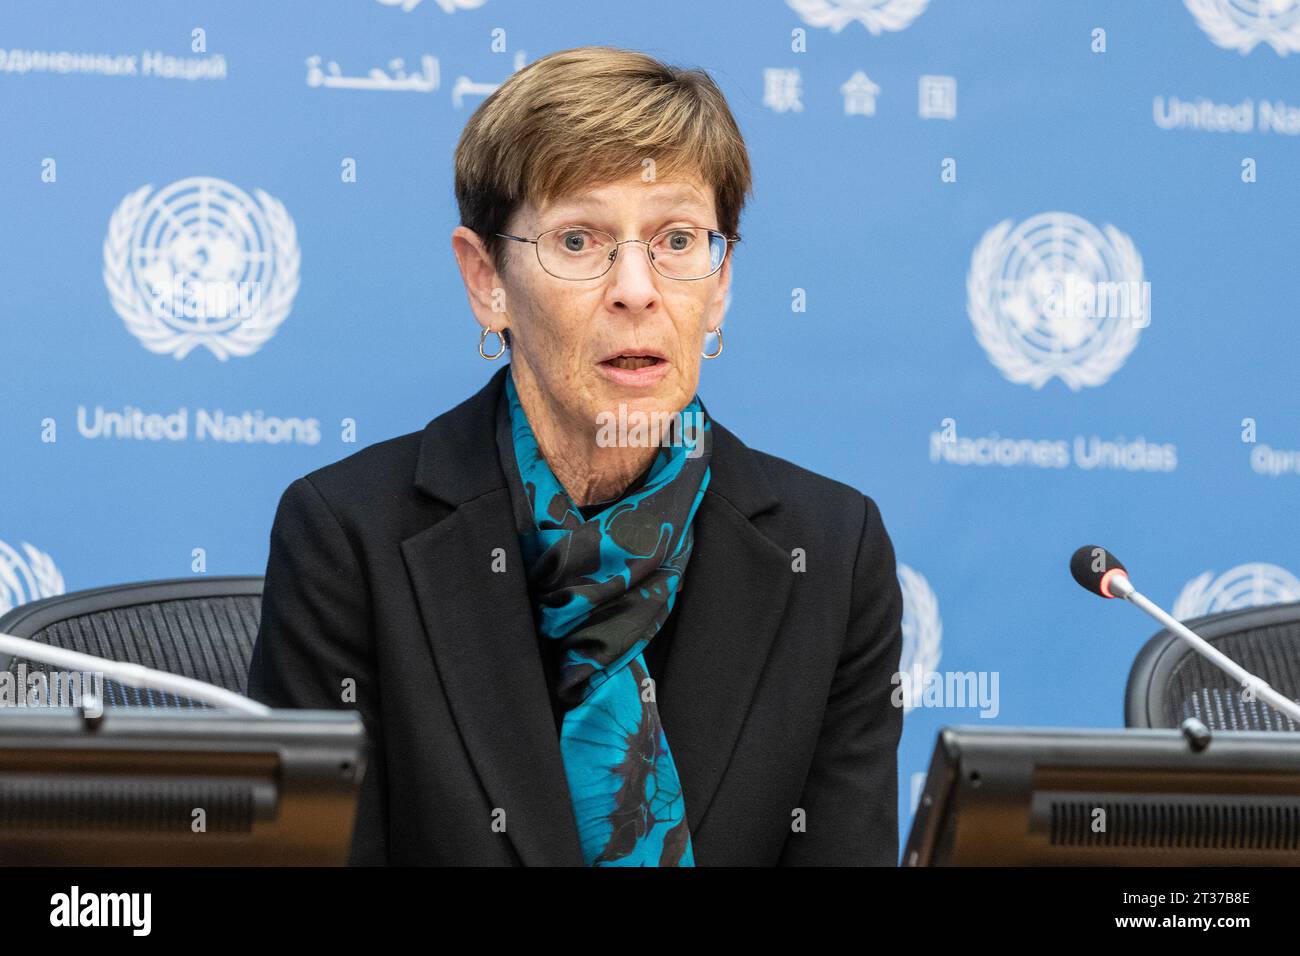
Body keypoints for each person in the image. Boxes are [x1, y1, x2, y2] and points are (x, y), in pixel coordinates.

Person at [246, 45, 903, 866]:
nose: (637, 288)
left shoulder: (832, 555)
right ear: (486, 279)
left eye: (677, 239)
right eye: (581, 240)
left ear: (722, 281)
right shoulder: (349, 538)